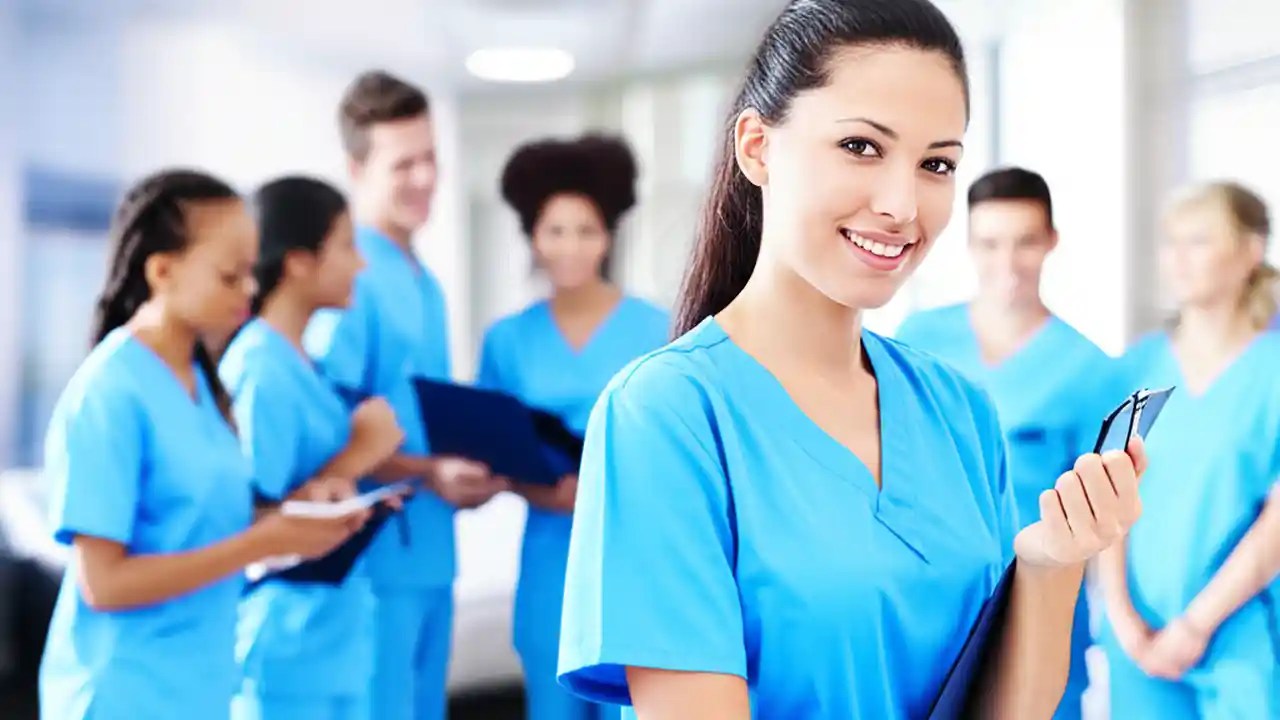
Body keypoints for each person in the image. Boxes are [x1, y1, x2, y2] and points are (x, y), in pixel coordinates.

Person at [555, 1, 1148, 718]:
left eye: (936, 163)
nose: (902, 205)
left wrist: (1052, 563)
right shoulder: (666, 414)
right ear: (757, 147)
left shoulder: (959, 411)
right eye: (862, 146)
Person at [38, 169, 362, 720]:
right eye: (230, 276)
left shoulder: (202, 384)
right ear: (162, 271)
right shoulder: (108, 392)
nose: (250, 291)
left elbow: (202, 522)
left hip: (200, 686)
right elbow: (104, 584)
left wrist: (299, 520)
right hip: (122, 693)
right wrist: (262, 543)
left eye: (248, 273)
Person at [304, 71, 507, 720]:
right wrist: (429, 473)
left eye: (430, 159)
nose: (424, 179)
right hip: (374, 568)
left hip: (431, 558)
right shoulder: (348, 280)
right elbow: (328, 434)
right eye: (403, 164)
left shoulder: (425, 283)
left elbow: (414, 417)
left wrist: (473, 465)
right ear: (356, 169)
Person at [895, 167, 1120, 719]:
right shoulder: (917, 339)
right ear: (969, 244)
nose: (1008, 262)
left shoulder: (1088, 370)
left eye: (1025, 242)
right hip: (929, 597)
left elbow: (1104, 517)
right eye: (990, 243)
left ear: (1051, 243)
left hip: (1040, 603)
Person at [477, 134, 669, 720]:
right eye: (554, 231)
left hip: (632, 557)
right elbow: (491, 449)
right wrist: (535, 487)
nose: (569, 248)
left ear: (608, 237)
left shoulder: (660, 328)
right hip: (549, 557)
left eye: (586, 231)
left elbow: (678, 451)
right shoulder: (507, 340)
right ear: (532, 237)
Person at [222, 177, 411, 720]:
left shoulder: (304, 363)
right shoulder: (259, 368)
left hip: (331, 640)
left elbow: (314, 493)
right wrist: (360, 452)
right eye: (347, 247)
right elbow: (252, 525)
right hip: (283, 644)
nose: (361, 265)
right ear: (299, 261)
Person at [1099, 181, 1280, 719]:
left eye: (1199, 241)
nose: (1178, 259)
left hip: (1237, 629)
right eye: (1171, 242)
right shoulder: (1137, 369)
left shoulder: (1271, 371)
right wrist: (1122, 621)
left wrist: (1196, 625)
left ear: (1249, 253)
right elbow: (1108, 496)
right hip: (1136, 632)